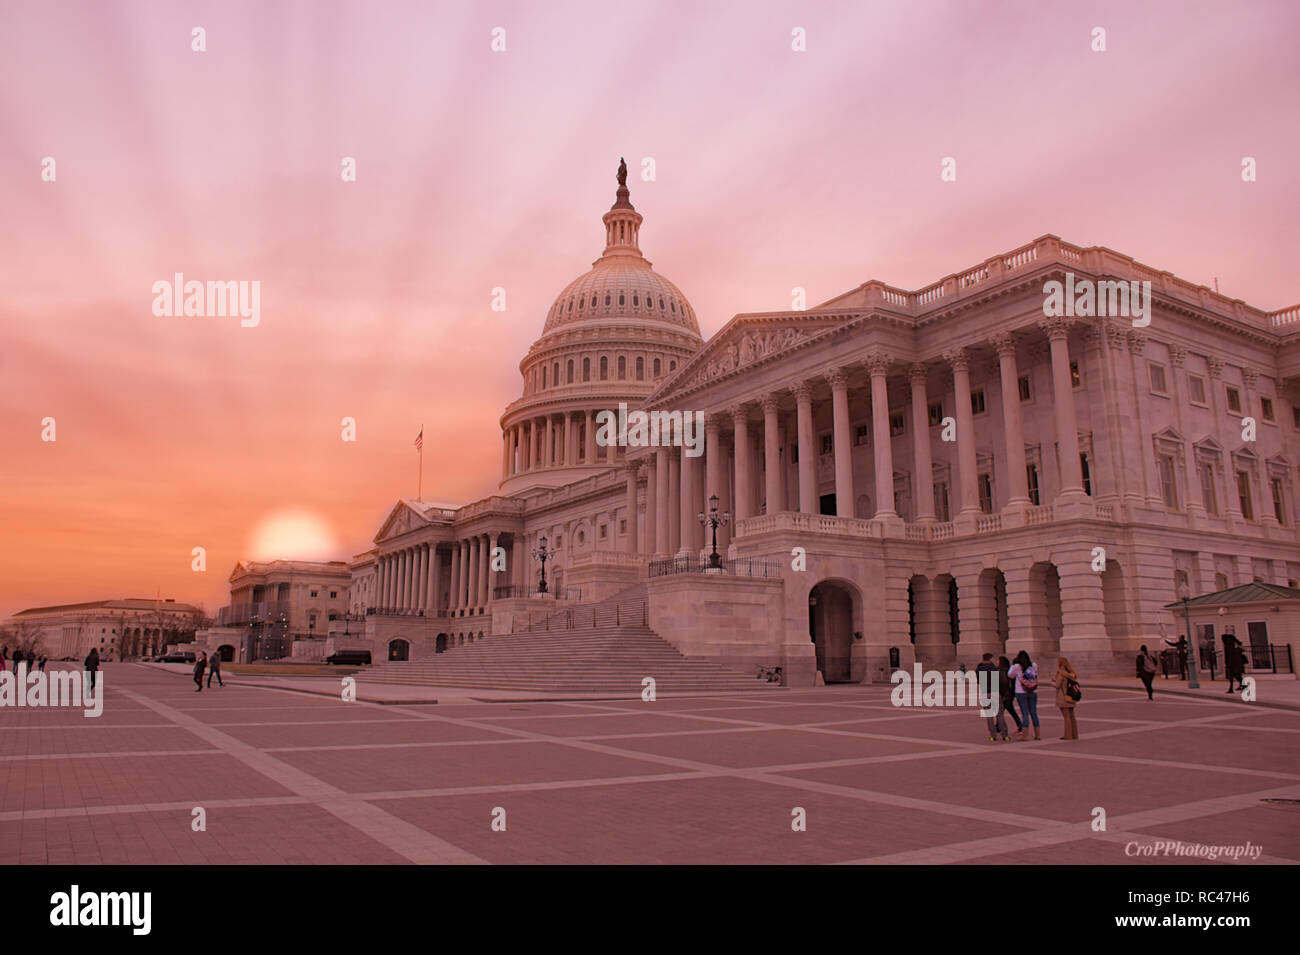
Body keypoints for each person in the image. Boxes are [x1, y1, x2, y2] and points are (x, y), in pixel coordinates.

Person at [1008, 650, 1040, 740]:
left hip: (1021, 691)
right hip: (1032, 691)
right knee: (1034, 712)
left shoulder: (1017, 666)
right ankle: (1037, 734)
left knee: (1025, 713)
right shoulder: (1033, 665)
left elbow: (1010, 675)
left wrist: (1014, 666)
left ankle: (1025, 735)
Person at [976, 653, 1004, 741]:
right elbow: (999, 681)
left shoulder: (978, 669)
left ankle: (993, 735)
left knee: (989, 716)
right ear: (990, 659)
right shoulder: (994, 668)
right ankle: (1004, 734)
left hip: (985, 693)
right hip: (994, 692)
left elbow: (978, 681)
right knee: (999, 715)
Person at [1052, 656, 1080, 739]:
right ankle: (1074, 734)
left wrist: (1052, 683)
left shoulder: (1062, 673)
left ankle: (1068, 735)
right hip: (1071, 696)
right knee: (1072, 716)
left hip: (1063, 696)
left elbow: (1057, 685)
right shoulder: (1071, 673)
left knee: (1066, 717)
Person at [997, 655, 1022, 740]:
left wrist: (1003, 695)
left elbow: (1003, 684)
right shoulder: (1009, 670)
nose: (997, 662)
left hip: (1006, 695)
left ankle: (998, 727)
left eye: (998, 661)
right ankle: (998, 727)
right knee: (1004, 711)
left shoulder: (1002, 671)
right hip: (1009, 695)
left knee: (1003, 712)